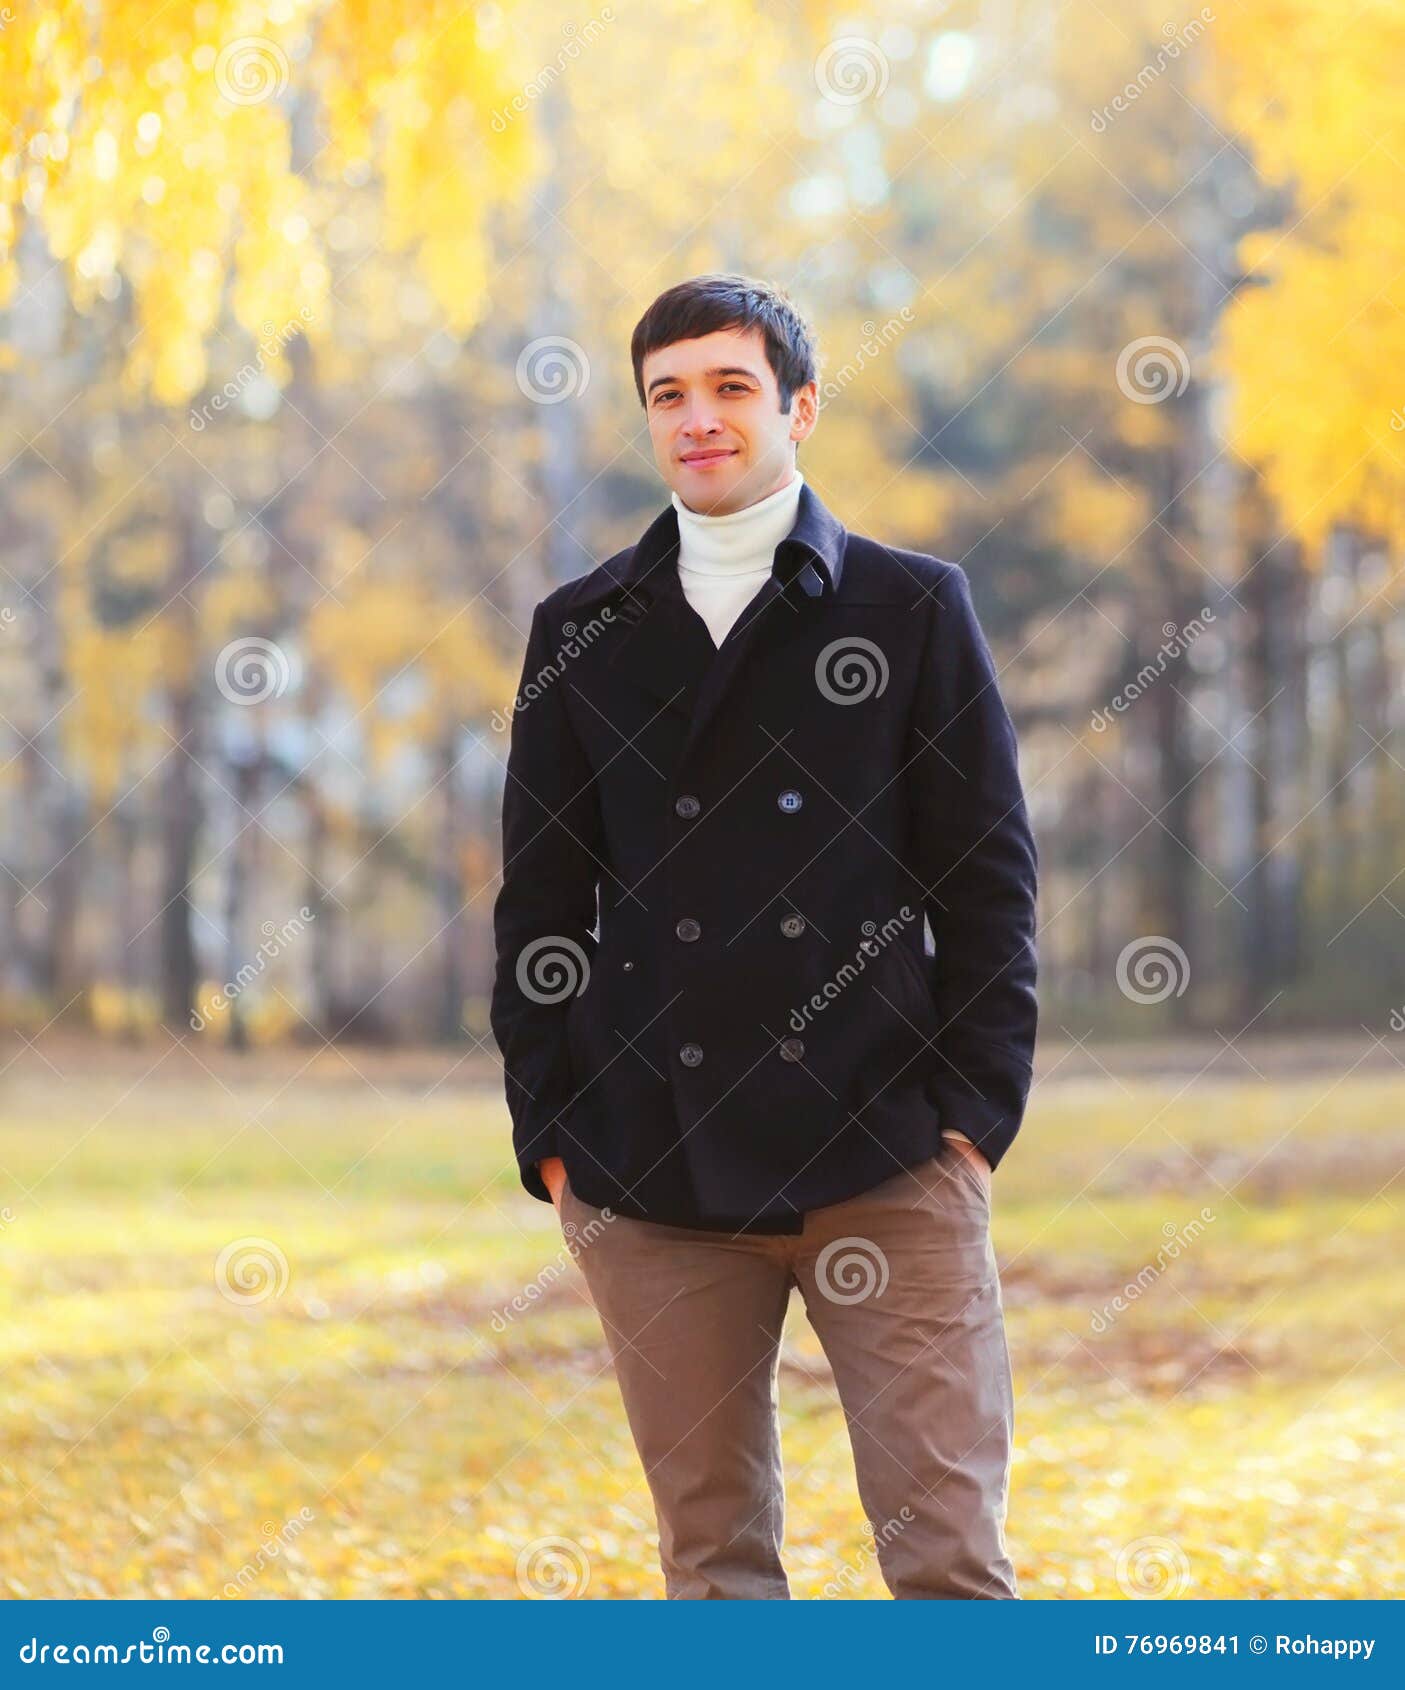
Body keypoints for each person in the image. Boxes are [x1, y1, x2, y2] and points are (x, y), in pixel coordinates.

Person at [491, 273, 1038, 1599]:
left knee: (949, 1560)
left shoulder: (908, 609)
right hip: (649, 1167)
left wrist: (969, 1115)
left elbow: (984, 878)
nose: (698, 419)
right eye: (668, 395)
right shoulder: (584, 629)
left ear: (797, 405)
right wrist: (552, 1132)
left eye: (729, 388)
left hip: (886, 1148)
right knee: (715, 1563)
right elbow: (541, 902)